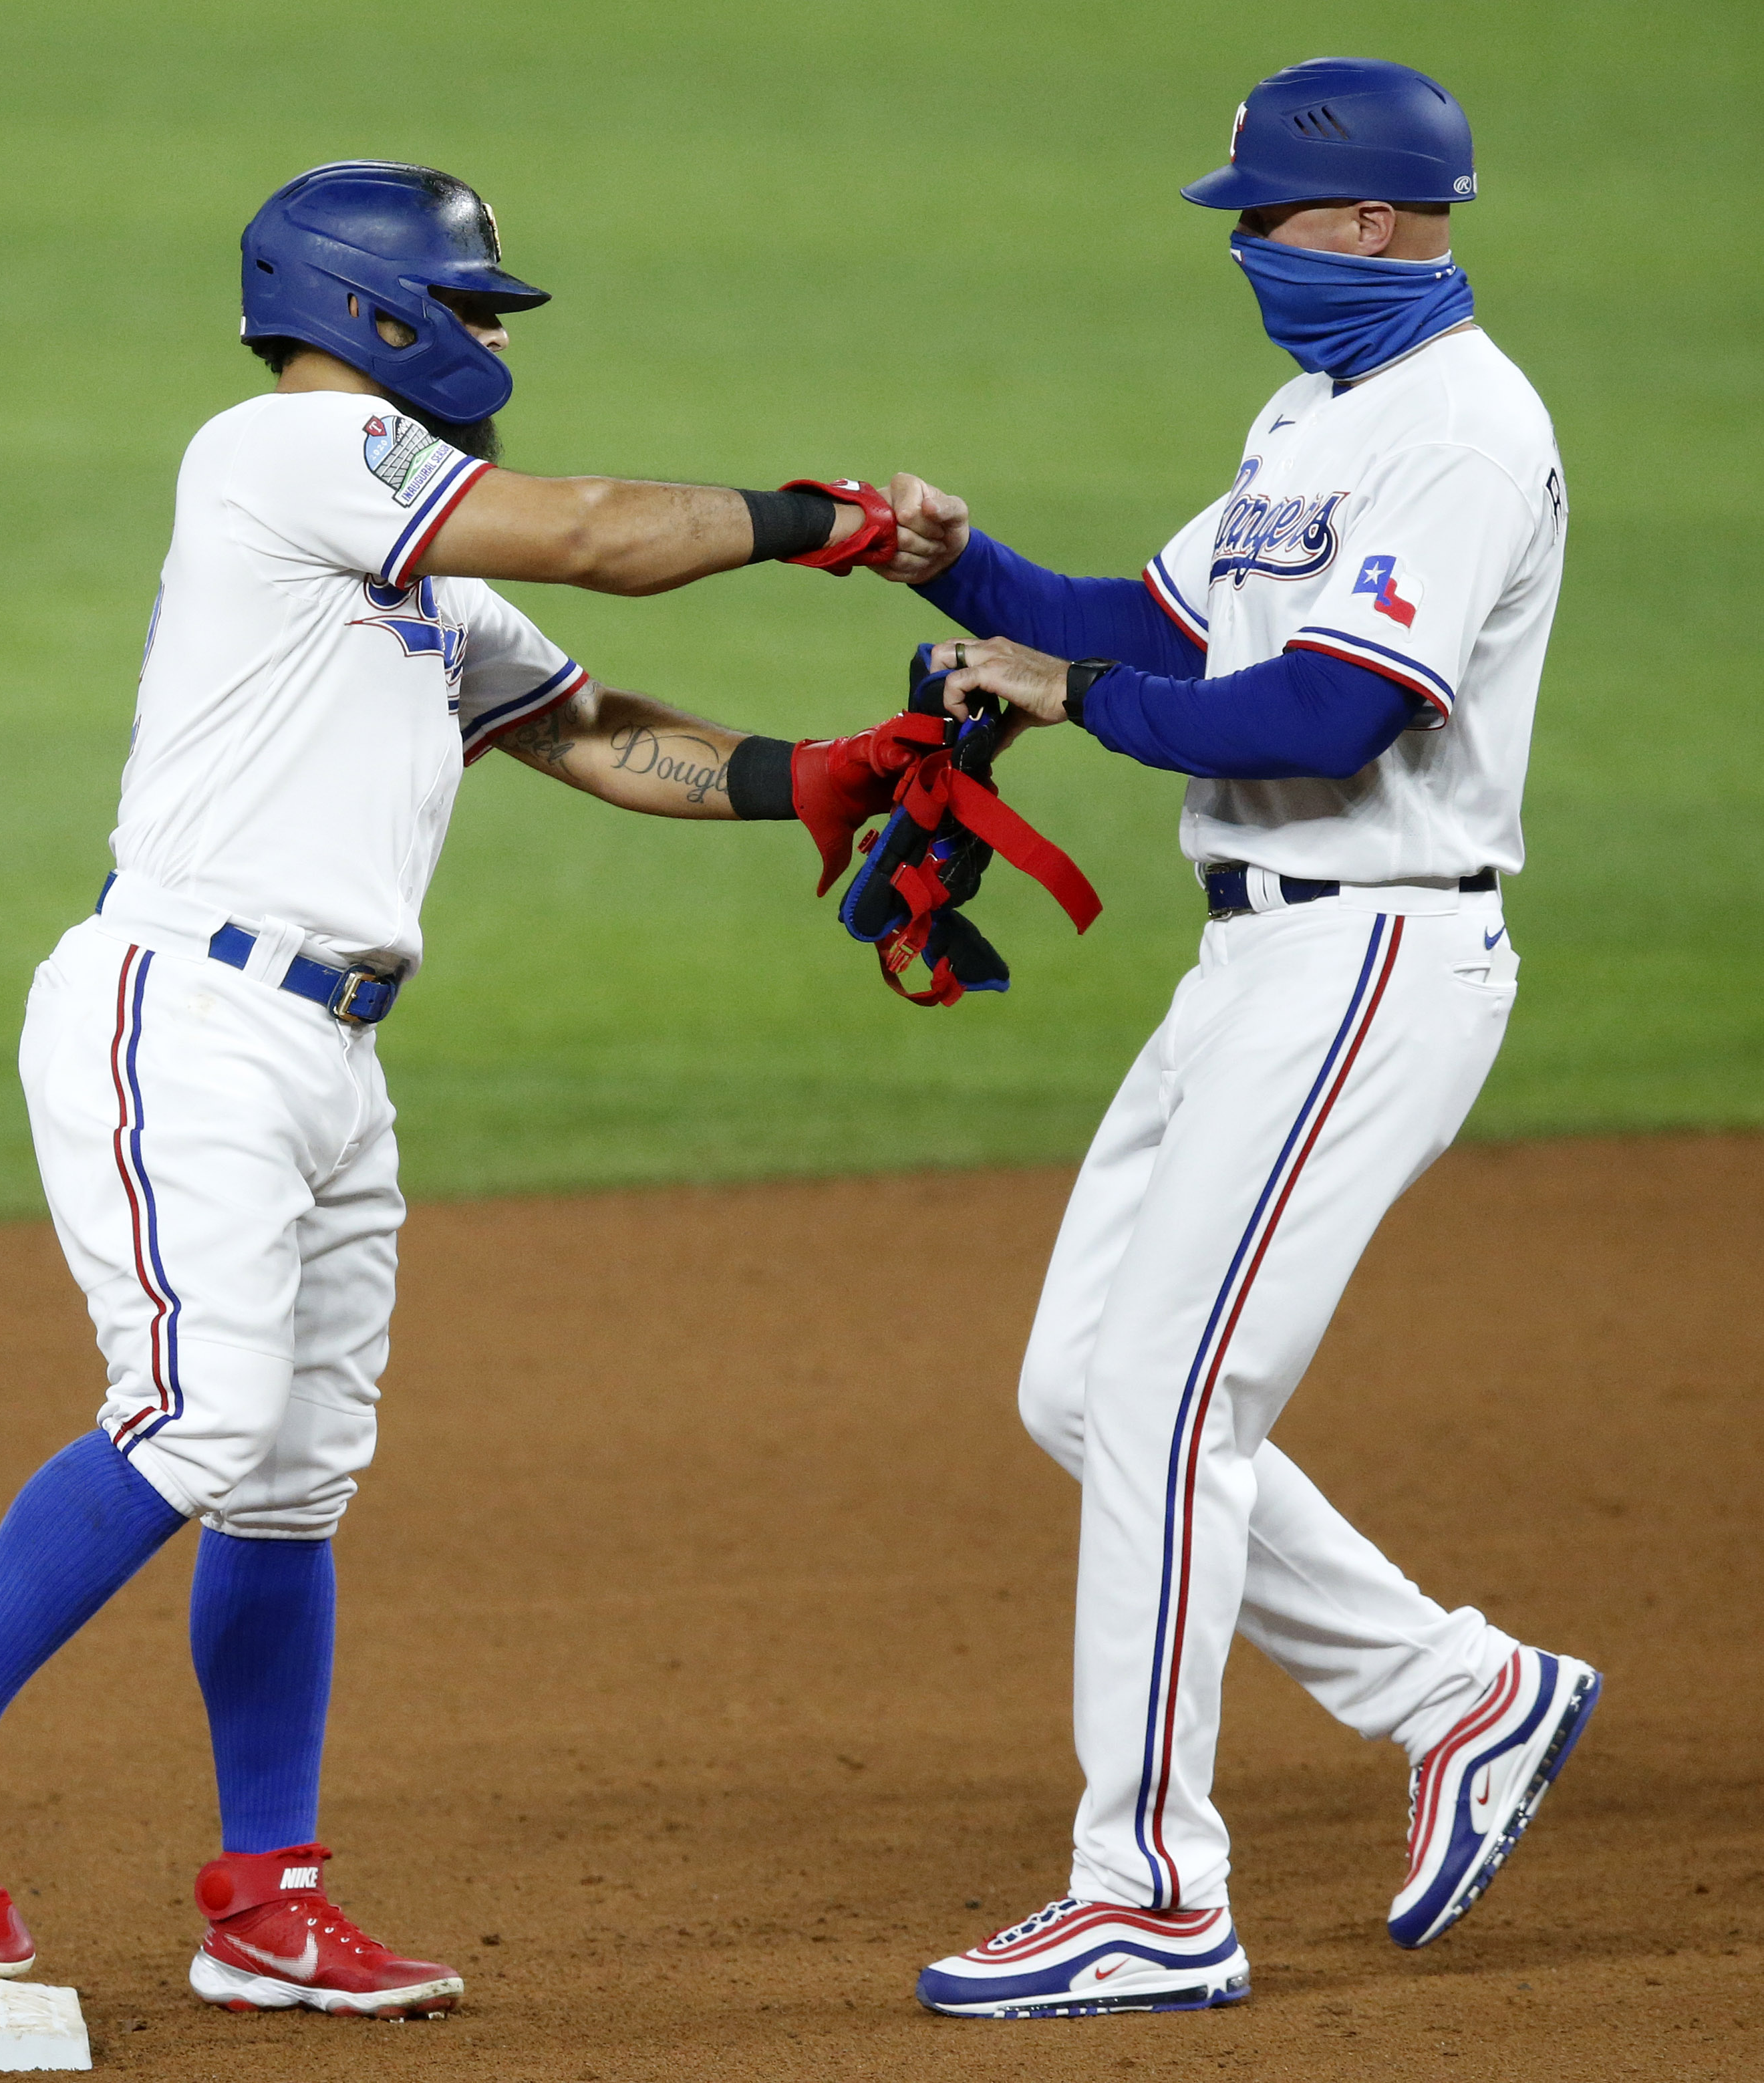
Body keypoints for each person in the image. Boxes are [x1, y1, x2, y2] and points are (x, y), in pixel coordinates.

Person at [0, 158, 929, 2020]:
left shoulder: (420, 563)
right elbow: (587, 530)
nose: (495, 339)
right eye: (480, 308)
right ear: (368, 310)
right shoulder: (288, 453)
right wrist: (823, 521)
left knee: (292, 1482)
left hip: (330, 1055)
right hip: (187, 1011)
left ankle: (267, 1897)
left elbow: (581, 725)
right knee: (194, 1411)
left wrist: (810, 776)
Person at [881, 59, 1600, 2020]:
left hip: (1371, 954)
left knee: (1178, 1405)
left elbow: (1324, 720)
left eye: (1266, 221)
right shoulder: (1322, 414)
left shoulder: (1463, 428)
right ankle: (1467, 1695)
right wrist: (955, 566)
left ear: (1368, 223)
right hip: (1255, 970)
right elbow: (1155, 623)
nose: (1249, 255)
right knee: (1087, 1392)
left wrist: (1068, 695)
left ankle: (1150, 1892)